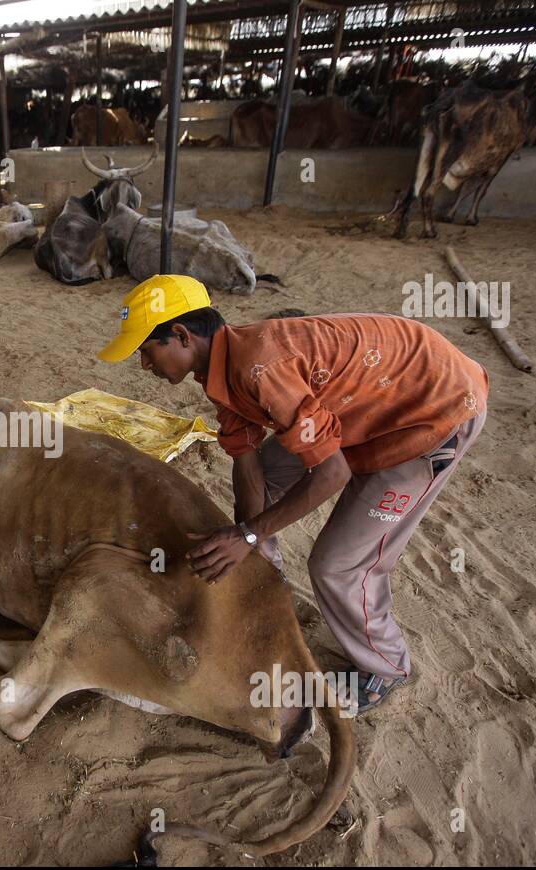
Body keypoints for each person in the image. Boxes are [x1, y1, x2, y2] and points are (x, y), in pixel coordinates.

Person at [98, 275, 489, 713]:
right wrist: (254, 546)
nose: (144, 365)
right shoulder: (223, 370)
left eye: (146, 351)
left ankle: (384, 668)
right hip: (371, 403)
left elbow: (331, 473)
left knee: (338, 564)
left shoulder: (259, 369)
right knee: (269, 472)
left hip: (435, 410)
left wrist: (245, 536)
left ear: (183, 336)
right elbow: (248, 463)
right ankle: (271, 579)